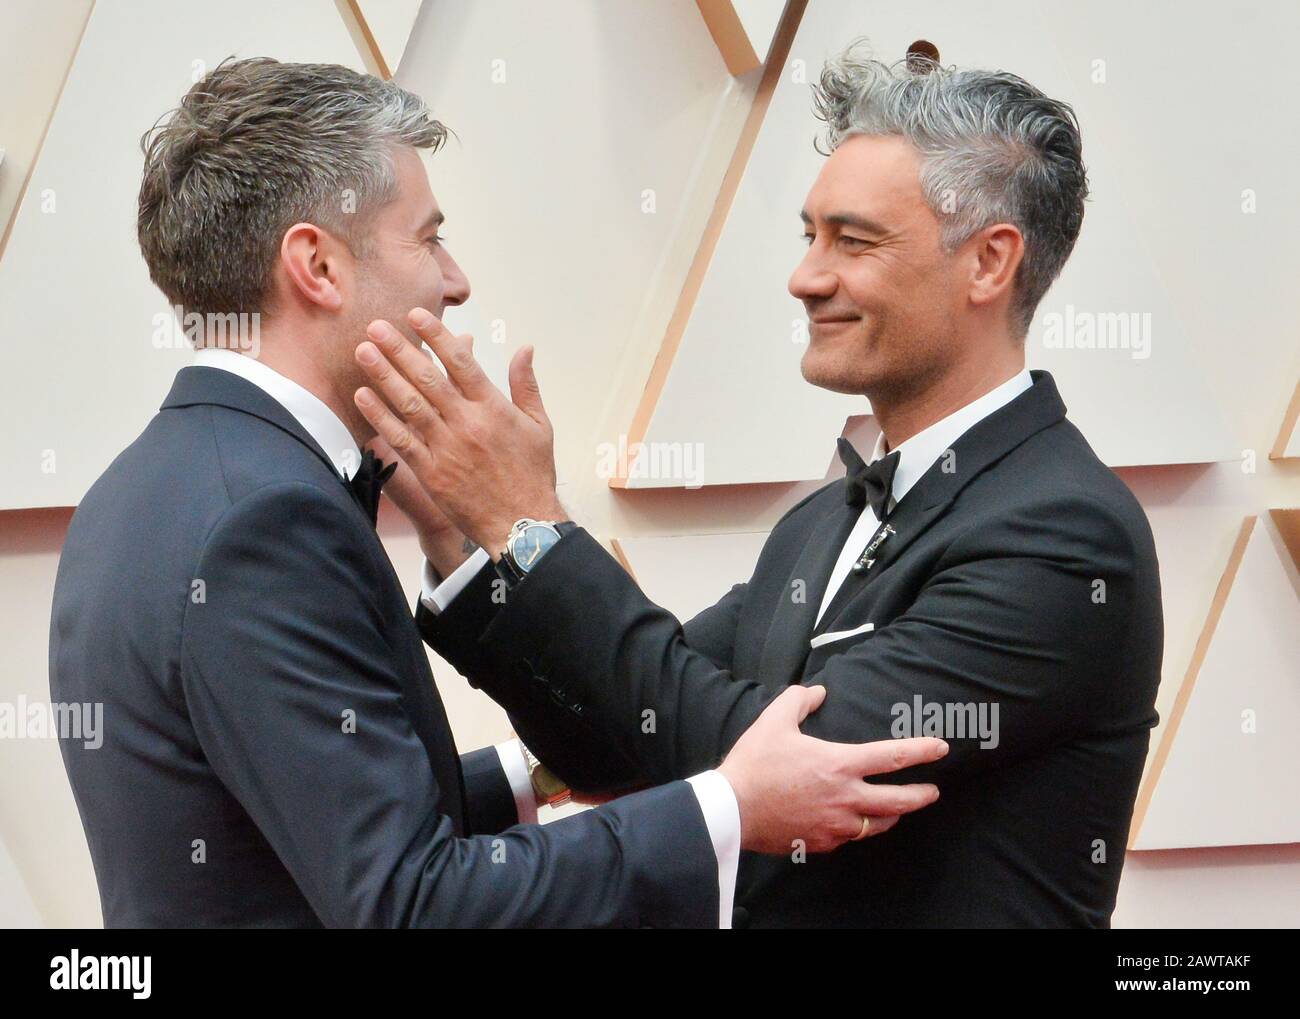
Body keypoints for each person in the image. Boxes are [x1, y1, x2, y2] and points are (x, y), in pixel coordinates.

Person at [47, 57, 947, 929]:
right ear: (317, 267)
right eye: (429, 235)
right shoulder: (266, 518)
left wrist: (538, 774)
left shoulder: (141, 487)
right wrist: (728, 807)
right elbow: (412, 901)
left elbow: (314, 822)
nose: (456, 278)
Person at [354, 44, 1164, 928]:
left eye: (853, 240)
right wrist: (465, 534)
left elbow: (780, 777)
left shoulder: (1064, 534)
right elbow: (629, 738)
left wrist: (533, 525)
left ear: (989, 262)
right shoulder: (823, 521)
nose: (806, 277)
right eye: (809, 235)